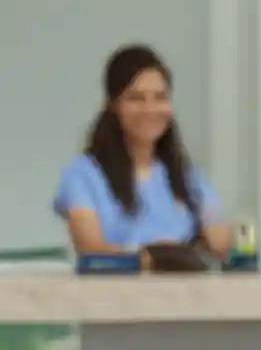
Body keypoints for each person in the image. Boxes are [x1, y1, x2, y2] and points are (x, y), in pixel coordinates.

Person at [53, 44, 232, 261]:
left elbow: (220, 242)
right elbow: (92, 248)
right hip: (118, 282)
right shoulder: (83, 174)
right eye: (136, 98)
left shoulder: (189, 176)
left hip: (187, 280)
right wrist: (155, 260)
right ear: (113, 105)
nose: (150, 109)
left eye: (160, 97)